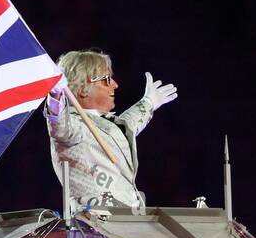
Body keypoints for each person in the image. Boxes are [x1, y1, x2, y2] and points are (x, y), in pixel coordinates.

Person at [43, 48, 177, 212]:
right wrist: (55, 95)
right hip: (96, 229)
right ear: (83, 88)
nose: (115, 84)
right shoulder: (73, 126)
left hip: (127, 222)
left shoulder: (103, 124)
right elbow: (59, 125)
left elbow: (126, 125)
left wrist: (149, 102)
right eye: (106, 79)